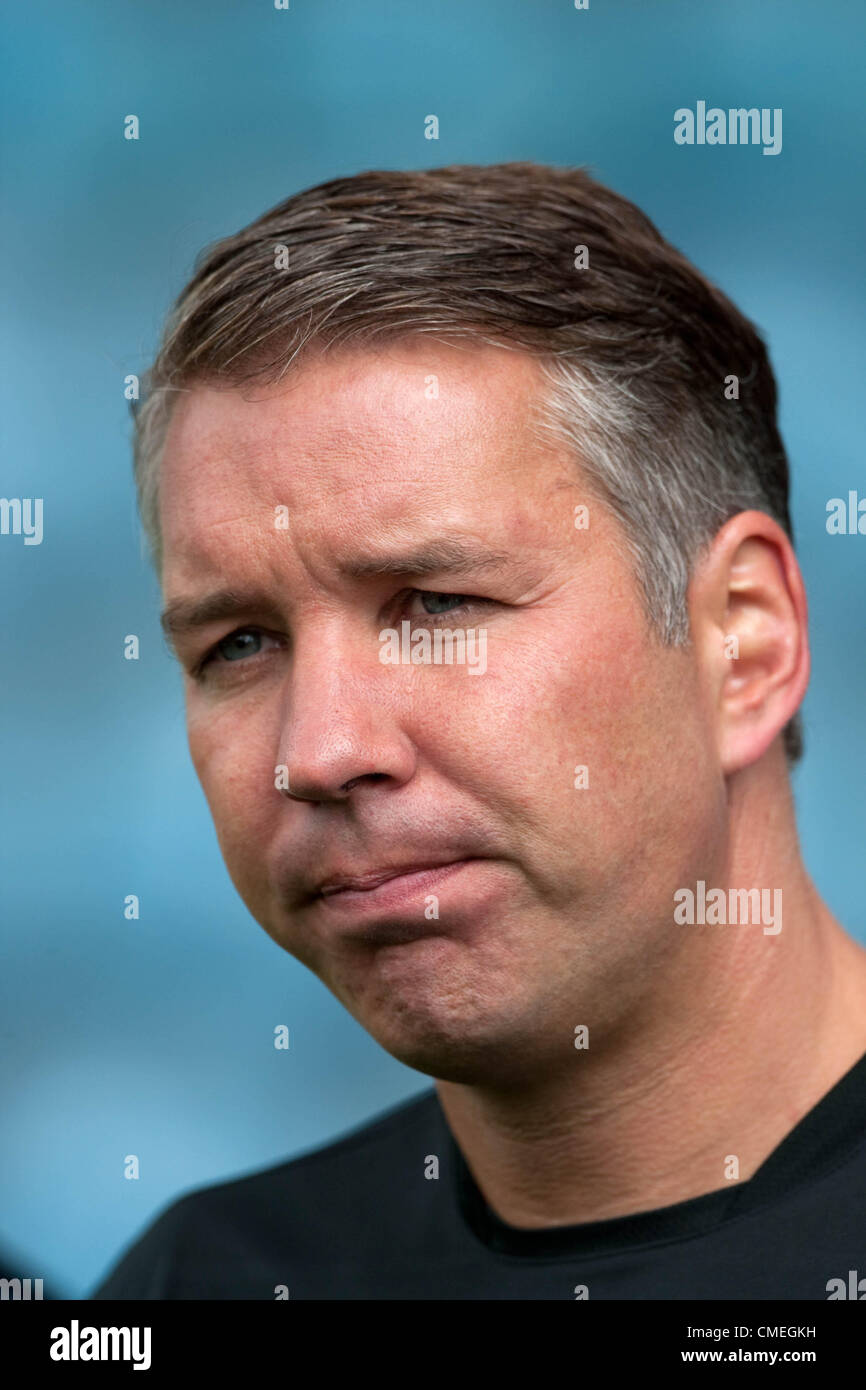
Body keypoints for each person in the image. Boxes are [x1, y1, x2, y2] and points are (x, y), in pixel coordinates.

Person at [92, 163, 866, 1300]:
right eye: (240, 645)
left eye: (435, 606)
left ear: (739, 645)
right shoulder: (195, 1283)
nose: (318, 750)